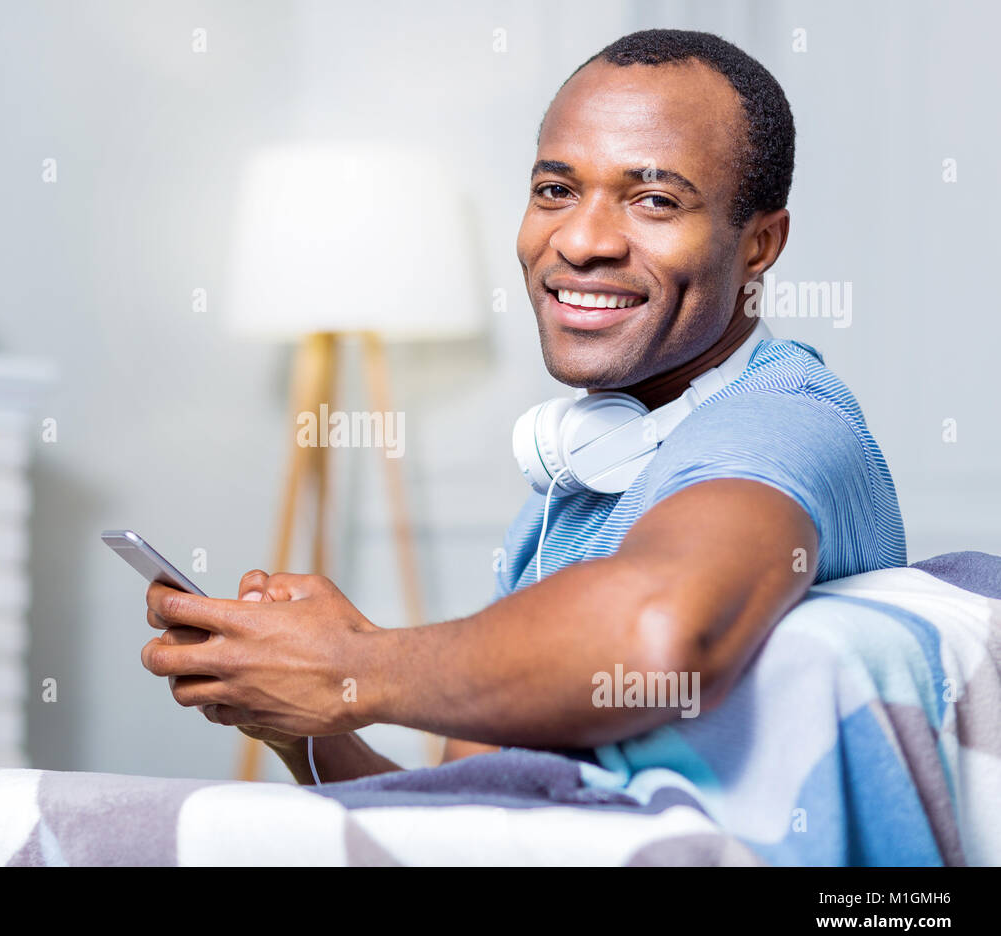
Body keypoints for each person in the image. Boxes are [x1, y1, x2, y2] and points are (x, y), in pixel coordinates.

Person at [141, 29, 906, 784]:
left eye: (654, 199)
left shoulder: (782, 420)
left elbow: (656, 635)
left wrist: (349, 662)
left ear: (760, 245)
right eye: (556, 190)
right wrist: (297, 721)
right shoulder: (581, 476)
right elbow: (466, 813)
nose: (579, 240)